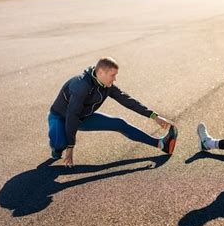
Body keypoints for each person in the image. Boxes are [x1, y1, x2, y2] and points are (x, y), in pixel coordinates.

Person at [48, 57, 177, 167]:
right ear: (101, 72)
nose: (114, 79)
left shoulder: (106, 85)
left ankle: (161, 144)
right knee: (60, 144)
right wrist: (70, 147)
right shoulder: (81, 86)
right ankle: (56, 149)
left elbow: (127, 100)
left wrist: (154, 116)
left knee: (119, 123)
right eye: (112, 75)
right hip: (60, 117)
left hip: (82, 117)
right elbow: (72, 115)